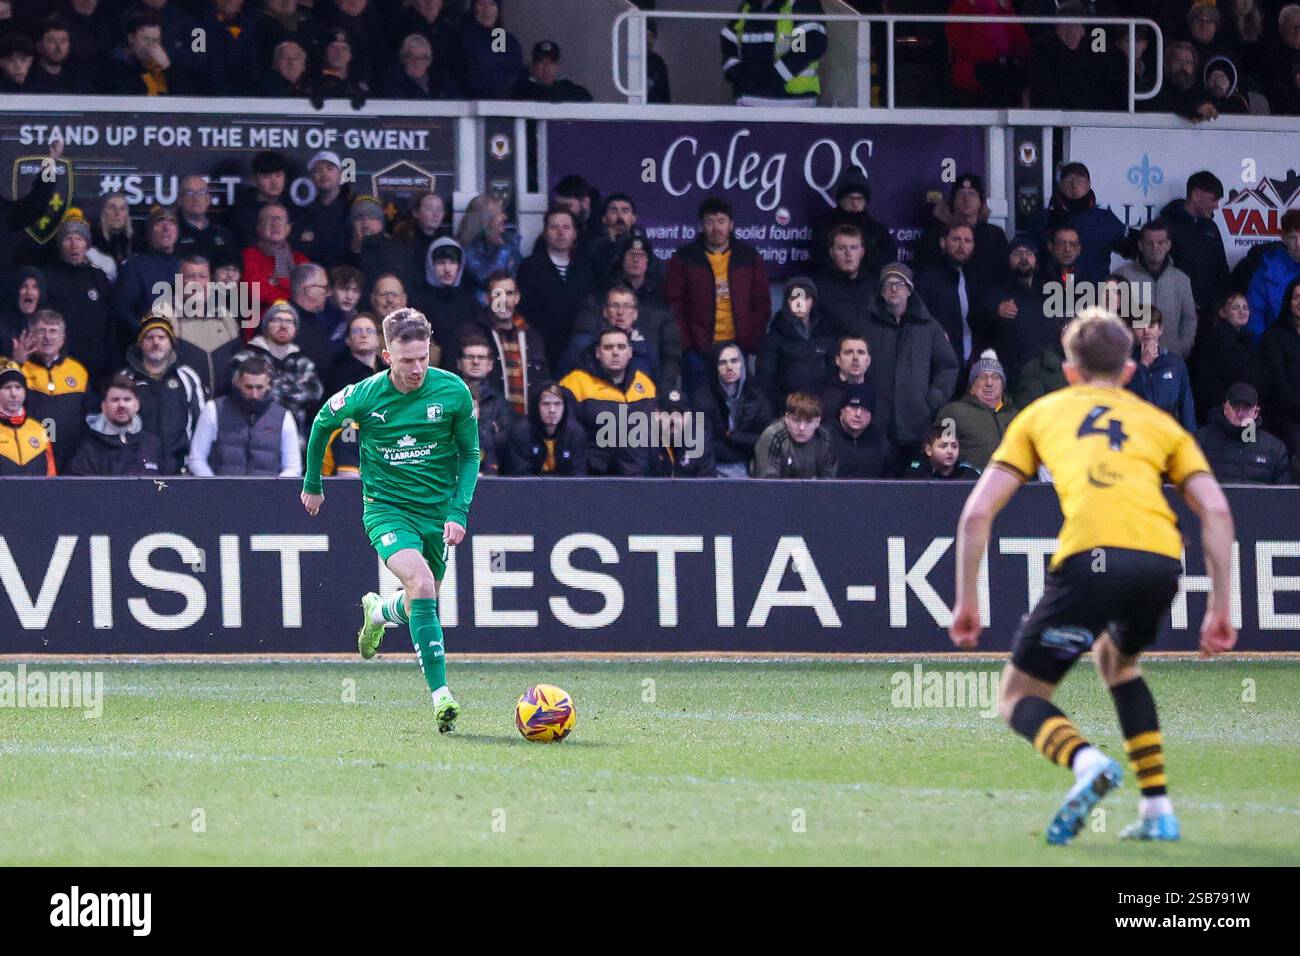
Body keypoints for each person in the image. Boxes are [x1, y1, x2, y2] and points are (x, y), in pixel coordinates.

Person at [949, 308, 1237, 845]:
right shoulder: (1161, 423)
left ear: (1069, 370)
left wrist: (967, 601)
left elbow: (976, 514)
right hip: (1159, 563)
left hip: (1090, 560)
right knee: (1118, 663)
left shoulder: (1041, 414)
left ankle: (1087, 763)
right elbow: (1217, 511)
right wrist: (1220, 606)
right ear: (1128, 371)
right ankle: (1157, 809)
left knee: (1016, 698)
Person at [302, 308, 479, 734]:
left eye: (423, 358)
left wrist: (458, 511)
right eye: (407, 360)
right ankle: (441, 697)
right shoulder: (365, 396)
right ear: (387, 357)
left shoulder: (453, 391)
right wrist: (313, 483)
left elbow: (470, 454)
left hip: (436, 512)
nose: (417, 369)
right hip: (386, 508)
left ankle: (380, 611)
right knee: (421, 584)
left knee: (422, 598)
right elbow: (323, 422)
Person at [665, 197, 770, 394]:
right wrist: (686, 346)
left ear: (731, 225)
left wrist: (751, 341)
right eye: (710, 222)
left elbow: (761, 302)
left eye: (721, 221)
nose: (716, 228)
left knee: (737, 402)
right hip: (697, 349)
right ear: (701, 226)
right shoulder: (685, 257)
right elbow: (674, 303)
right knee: (699, 402)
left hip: (738, 345)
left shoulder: (748, 256)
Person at [861, 262, 959, 469]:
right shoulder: (866, 325)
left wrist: (932, 400)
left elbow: (948, 366)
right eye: (888, 284)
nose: (893, 289)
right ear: (881, 291)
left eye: (899, 284)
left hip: (917, 423)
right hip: (877, 421)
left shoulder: (929, 327)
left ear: (909, 290)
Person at [559, 325, 657, 477]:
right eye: (608, 347)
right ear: (598, 353)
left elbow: (652, 435)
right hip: (594, 475)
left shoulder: (644, 383)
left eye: (621, 347)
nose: (615, 352)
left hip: (639, 475)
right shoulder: (575, 383)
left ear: (630, 352)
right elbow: (568, 436)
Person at [187, 355, 302, 478]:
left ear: (268, 384)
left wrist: (272, 487)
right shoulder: (214, 410)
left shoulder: (283, 417)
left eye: (259, 387)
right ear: (238, 383)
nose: (254, 394)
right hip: (223, 488)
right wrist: (216, 485)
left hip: (267, 489)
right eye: (249, 387)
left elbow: (293, 467)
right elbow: (196, 459)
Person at [117, 316, 204, 475]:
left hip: (181, 467)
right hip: (138, 468)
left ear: (171, 343)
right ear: (141, 344)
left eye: (162, 337)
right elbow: (114, 424)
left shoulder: (187, 377)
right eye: (149, 338)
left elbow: (201, 423)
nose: (156, 342)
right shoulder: (126, 378)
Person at [41, 212, 120, 382]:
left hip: (96, 367)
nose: (74, 245)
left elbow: (110, 325)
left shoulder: (98, 277)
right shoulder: (47, 277)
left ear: (87, 244)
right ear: (60, 244)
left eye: (79, 239)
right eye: (68, 239)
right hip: (60, 365)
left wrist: (113, 366)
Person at [516, 205, 597, 362]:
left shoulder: (585, 267)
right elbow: (522, 311)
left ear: (575, 233)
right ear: (545, 233)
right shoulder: (530, 267)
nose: (561, 233)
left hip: (580, 351)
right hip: (542, 349)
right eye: (554, 227)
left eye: (566, 227)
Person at [231, 301, 324, 438]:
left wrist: (270, 387)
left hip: (293, 437)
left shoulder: (303, 361)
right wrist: (291, 389)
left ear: (295, 329)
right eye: (277, 320)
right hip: (251, 434)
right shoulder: (246, 357)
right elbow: (240, 390)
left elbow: (315, 392)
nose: (283, 326)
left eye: (289, 322)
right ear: (266, 325)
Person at [976, 235, 1053, 395]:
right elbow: (976, 320)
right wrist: (996, 311)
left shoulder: (1047, 291)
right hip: (1008, 378)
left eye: (1029, 253)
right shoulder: (994, 291)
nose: (1024, 258)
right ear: (1008, 258)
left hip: (1042, 376)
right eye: (1017, 253)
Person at [564, 284, 677, 389]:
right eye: (615, 305)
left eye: (627, 306)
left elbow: (656, 389)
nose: (620, 312)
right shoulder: (582, 345)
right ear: (605, 312)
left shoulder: (648, 350)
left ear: (635, 314)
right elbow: (562, 385)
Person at [467, 271, 549, 415]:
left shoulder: (532, 337)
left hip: (528, 423)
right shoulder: (471, 335)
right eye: (498, 294)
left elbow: (544, 382)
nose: (503, 300)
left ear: (517, 298)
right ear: (487, 298)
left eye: (509, 293)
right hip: (490, 421)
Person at [19, 309, 91, 473]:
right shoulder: (19, 369)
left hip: (73, 456)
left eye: (53, 331)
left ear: (63, 337)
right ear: (31, 335)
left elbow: (87, 416)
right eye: (41, 331)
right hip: (31, 454)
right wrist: (17, 363)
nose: (48, 337)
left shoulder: (77, 370)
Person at [1115, 219, 1198, 359]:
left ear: (1168, 245)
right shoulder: (1123, 276)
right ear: (1140, 245)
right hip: (1132, 360)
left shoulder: (1181, 279)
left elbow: (1189, 318)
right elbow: (1113, 319)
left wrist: (1182, 348)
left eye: (1160, 243)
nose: (1155, 247)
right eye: (1149, 243)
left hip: (1170, 358)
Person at [1029, 163, 1125, 285]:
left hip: (1093, 290)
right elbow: (1028, 253)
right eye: (1069, 180)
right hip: (1053, 289)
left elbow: (1132, 247)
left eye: (1080, 180)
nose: (1074, 185)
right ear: (1061, 185)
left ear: (1088, 185)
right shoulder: (1044, 218)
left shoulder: (1105, 219)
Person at [721, 0, 827, 107]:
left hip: (793, 103)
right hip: (748, 102)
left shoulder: (801, 3)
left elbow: (810, 44)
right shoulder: (749, 5)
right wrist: (736, 72)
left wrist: (776, 76)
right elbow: (728, 38)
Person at [693, 339, 773, 478]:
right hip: (716, 467)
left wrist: (735, 438)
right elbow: (704, 442)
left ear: (742, 364)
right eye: (722, 363)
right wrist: (742, 452)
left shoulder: (757, 395)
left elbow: (767, 438)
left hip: (754, 466)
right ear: (715, 366)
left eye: (734, 361)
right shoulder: (703, 397)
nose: (729, 367)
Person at [915, 174, 1008, 294]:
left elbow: (1004, 275)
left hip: (987, 299)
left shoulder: (994, 235)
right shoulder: (934, 234)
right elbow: (923, 273)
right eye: (961, 194)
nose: (966, 199)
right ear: (952, 201)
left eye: (972, 194)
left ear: (981, 202)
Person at [1158, 171, 1229, 321]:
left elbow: (1222, 268)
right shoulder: (1165, 226)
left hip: (1210, 314)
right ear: (1196, 195)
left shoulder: (1211, 228)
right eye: (1213, 199)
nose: (1217, 206)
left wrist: (1222, 303)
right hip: (1175, 312)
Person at [170, 255, 244, 399]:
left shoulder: (225, 315)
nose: (197, 282)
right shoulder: (163, 315)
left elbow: (238, 359)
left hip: (222, 404)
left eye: (202, 276)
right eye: (190, 276)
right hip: (183, 402)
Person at [755, 277, 834, 411]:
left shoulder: (825, 334)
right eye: (794, 298)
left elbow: (834, 375)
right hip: (787, 410)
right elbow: (765, 383)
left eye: (805, 298)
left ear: (813, 302)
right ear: (787, 302)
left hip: (821, 409)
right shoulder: (773, 337)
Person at [934, 350, 1018, 470]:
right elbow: (941, 457)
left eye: (995, 377)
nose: (989, 383)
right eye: (982, 377)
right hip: (971, 481)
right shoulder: (953, 413)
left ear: (1002, 385)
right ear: (972, 385)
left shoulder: (1018, 416)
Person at [65, 374, 164, 476]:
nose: (121, 405)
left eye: (127, 399)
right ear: (104, 406)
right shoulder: (88, 449)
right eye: (115, 400)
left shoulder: (152, 445)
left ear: (137, 405)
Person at [1196, 383, 1292, 485]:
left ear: (1256, 412)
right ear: (1225, 408)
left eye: (1246, 408)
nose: (1240, 414)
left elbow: (1283, 492)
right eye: (1236, 407)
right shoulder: (1201, 441)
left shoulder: (1275, 449)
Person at [914, 222, 980, 371]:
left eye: (967, 241)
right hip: (940, 362)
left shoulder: (975, 276)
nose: (962, 246)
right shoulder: (928, 277)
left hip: (971, 360)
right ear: (943, 243)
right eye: (956, 239)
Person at [113, 204, 181, 342]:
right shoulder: (134, 267)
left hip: (183, 345)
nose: (166, 227)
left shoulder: (186, 267)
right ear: (148, 232)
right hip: (147, 344)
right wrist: (146, 334)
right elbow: (122, 310)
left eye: (171, 222)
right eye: (159, 221)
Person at [1189, 291, 1258, 423]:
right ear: (1222, 312)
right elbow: (1239, 375)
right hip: (1222, 410)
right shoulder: (1221, 340)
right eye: (1235, 307)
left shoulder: (1242, 339)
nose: (1242, 312)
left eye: (1245, 307)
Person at [1126, 309, 1196, 432]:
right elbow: (1126, 399)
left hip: (1166, 431)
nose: (1146, 331)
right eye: (1140, 326)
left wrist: (1191, 436)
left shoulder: (1175, 364)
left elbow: (1186, 405)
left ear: (1160, 329)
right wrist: (1143, 366)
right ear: (1132, 331)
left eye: (1151, 326)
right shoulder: (1125, 364)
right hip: (1136, 432)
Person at [455, 330, 513, 475]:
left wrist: (481, 429)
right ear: (459, 363)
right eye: (470, 357)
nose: (475, 362)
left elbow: (506, 443)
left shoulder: (500, 402)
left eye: (481, 357)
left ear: (490, 365)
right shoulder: (447, 398)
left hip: (491, 476)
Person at [241, 204, 309, 327]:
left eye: (280, 219)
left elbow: (307, 297)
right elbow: (257, 293)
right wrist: (291, 288)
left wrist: (275, 281)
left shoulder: (300, 260)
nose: (275, 224)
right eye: (269, 219)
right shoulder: (248, 256)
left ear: (288, 228)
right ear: (259, 227)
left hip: (295, 327)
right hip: (258, 329)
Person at [502, 381, 588, 476]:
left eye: (557, 404)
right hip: (530, 485)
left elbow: (578, 476)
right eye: (546, 404)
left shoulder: (575, 434)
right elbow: (520, 476)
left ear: (565, 407)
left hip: (565, 485)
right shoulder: (521, 432)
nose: (552, 410)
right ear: (536, 406)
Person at [412, 237, 479, 358]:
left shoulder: (471, 304)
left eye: (453, 262)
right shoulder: (418, 304)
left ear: (460, 265)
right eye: (441, 263)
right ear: (430, 264)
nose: (447, 269)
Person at [814, 224, 880, 337]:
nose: (848, 254)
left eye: (853, 248)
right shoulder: (816, 288)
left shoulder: (877, 287)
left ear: (862, 252)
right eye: (841, 248)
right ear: (831, 253)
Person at [751, 391, 836, 478]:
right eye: (796, 420)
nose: (801, 428)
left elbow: (829, 479)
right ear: (786, 418)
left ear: (817, 422)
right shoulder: (773, 436)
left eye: (808, 422)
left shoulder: (824, 438)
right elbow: (768, 481)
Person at [1259, 276, 1300, 455]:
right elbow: (1278, 382)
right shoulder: (1274, 335)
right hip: (1285, 414)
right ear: (1288, 302)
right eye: (1296, 297)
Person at [455, 193, 521, 304]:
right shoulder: (466, 247)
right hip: (476, 307)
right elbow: (486, 278)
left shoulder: (509, 240)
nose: (505, 217)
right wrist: (503, 250)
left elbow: (516, 278)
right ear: (485, 219)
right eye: (499, 213)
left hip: (506, 305)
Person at [1246, 210, 1300, 342]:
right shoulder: (1266, 272)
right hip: (1277, 346)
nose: (1298, 243)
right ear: (1284, 238)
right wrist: (1265, 349)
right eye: (1292, 237)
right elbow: (1255, 318)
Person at [0, 359, 56, 476]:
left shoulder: (40, 430)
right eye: (7, 387)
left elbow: (51, 477)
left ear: (25, 392)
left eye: (18, 387)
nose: (14, 394)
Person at [297, 151, 352, 270]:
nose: (324, 174)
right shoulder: (305, 212)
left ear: (340, 174)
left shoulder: (352, 208)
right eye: (318, 170)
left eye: (329, 168)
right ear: (312, 177)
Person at [826, 382, 891, 478]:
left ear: (871, 415)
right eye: (853, 407)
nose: (858, 414)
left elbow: (888, 480)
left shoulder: (880, 442)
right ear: (842, 409)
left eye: (865, 409)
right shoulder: (823, 436)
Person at [459, 0, 522, 99]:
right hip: (467, 100)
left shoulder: (504, 40)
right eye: (481, 4)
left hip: (500, 102)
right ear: (473, 8)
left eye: (492, 4)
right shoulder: (461, 38)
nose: (487, 10)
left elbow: (510, 72)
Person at [650, 388, 717, 478]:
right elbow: (638, 477)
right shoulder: (647, 439)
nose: (673, 419)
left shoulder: (700, 440)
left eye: (680, 414)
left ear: (688, 416)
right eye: (668, 413)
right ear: (657, 415)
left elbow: (707, 481)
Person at [176, 175, 235, 270]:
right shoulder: (171, 231)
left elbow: (231, 266)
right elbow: (171, 268)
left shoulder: (222, 233)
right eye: (189, 193)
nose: (195, 198)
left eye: (201, 192)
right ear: (179, 200)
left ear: (208, 199)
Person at [323, 312, 385, 398]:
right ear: (348, 340)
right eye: (356, 331)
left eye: (369, 331)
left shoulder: (388, 372)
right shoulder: (338, 375)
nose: (363, 335)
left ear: (378, 339)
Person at [508, 40, 592, 102]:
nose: (546, 67)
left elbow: (586, 98)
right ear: (532, 67)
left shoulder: (569, 89)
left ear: (557, 66)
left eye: (551, 63)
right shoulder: (520, 89)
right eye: (541, 62)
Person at [819, 333, 873, 423]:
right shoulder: (821, 398)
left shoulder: (878, 400)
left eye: (861, 352)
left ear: (868, 361)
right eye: (848, 352)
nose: (855, 357)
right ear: (838, 360)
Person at [901, 422, 980, 480]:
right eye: (943, 446)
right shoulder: (916, 475)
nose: (950, 451)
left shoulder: (970, 475)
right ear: (928, 450)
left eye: (954, 446)